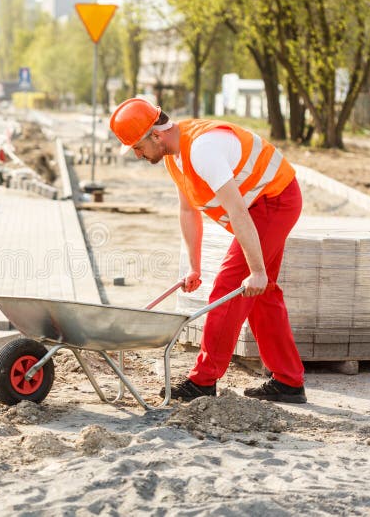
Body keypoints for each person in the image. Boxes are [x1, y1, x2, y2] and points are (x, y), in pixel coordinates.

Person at [109, 98, 306, 404]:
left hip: (274, 201)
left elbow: (239, 212)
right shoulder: (174, 155)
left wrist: (255, 270)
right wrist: (194, 266)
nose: (137, 155)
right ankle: (288, 381)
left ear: (156, 135)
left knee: (231, 286)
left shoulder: (203, 150)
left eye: (137, 146)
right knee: (262, 292)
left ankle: (203, 381)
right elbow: (188, 211)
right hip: (260, 205)